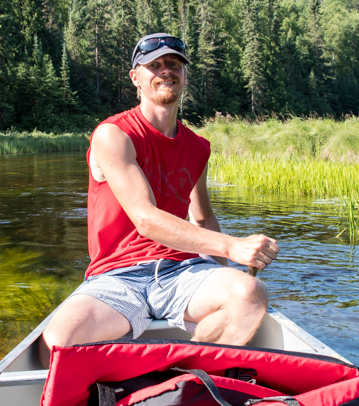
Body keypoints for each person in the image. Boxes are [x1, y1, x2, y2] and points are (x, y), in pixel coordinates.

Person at [39, 33, 278, 366]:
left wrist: (228, 276)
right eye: (155, 65)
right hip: (117, 274)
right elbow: (145, 218)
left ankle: (186, 377)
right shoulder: (114, 135)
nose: (166, 71)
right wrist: (231, 246)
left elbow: (203, 218)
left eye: (174, 65)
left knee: (250, 295)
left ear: (184, 76)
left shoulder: (197, 147)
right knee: (57, 343)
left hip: (182, 271)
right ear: (136, 78)